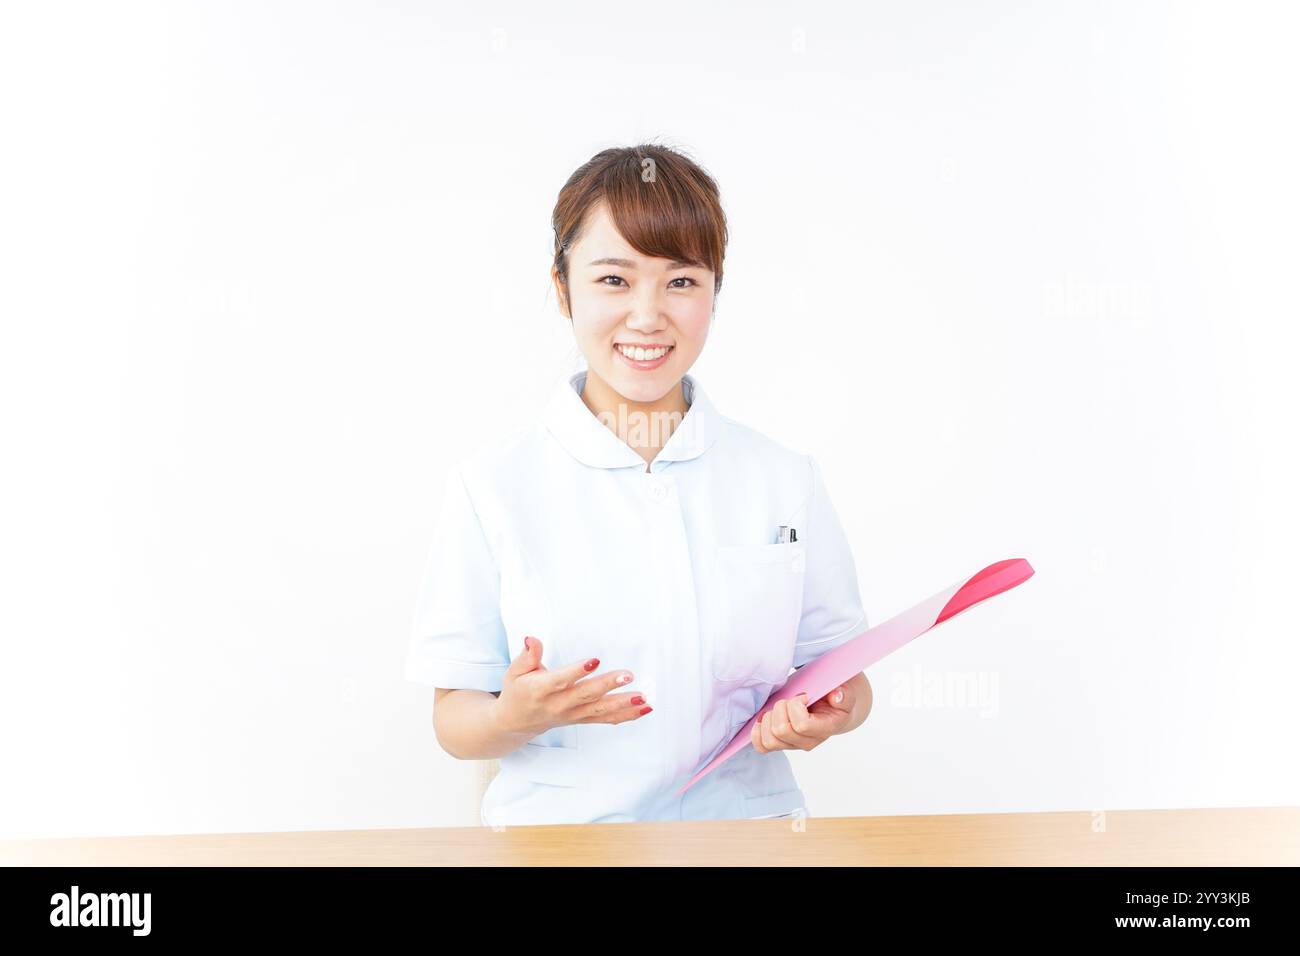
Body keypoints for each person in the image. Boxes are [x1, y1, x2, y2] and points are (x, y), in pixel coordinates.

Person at [406, 143, 873, 826]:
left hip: (746, 839)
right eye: (614, 280)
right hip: (564, 845)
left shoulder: (784, 479)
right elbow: (454, 719)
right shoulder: (494, 487)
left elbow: (847, 680)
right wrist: (513, 715)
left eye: (681, 281)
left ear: (715, 290)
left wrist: (828, 713)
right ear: (563, 289)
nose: (649, 315)